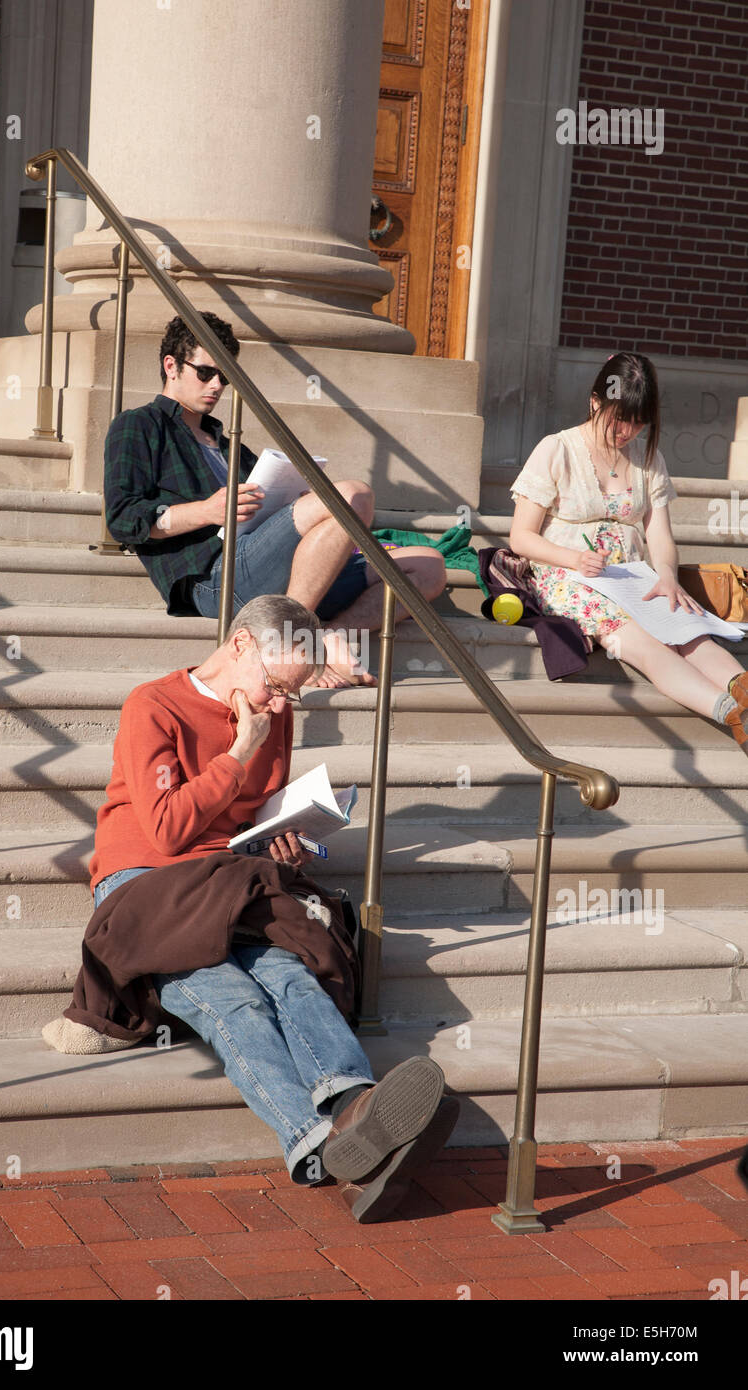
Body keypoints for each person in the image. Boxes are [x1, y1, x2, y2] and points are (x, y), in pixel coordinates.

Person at [44, 595, 459, 1223]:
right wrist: (239, 751)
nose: (279, 705)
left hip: (235, 877)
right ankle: (317, 1145)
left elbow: (250, 814)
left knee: (289, 974)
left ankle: (354, 1105)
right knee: (230, 997)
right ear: (239, 646)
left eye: (292, 694)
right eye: (274, 685)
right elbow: (167, 829)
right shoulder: (153, 705)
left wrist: (282, 838)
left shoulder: (273, 714)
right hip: (150, 885)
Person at [103, 313, 447, 688]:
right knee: (353, 495)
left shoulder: (229, 444)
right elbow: (122, 519)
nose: (217, 386)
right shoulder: (139, 425)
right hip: (216, 576)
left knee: (428, 566)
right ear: (171, 365)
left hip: (277, 570)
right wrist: (206, 511)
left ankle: (328, 637)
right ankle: (287, 645)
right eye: (206, 373)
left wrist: (299, 502)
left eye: (226, 376)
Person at [508, 351, 748, 749]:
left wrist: (668, 577)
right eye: (619, 418)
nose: (627, 431)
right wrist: (574, 559)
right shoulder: (557, 449)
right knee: (644, 643)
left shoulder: (648, 458)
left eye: (638, 423)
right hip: (569, 575)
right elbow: (521, 537)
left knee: (687, 628)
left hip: (630, 575)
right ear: (595, 402)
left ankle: (743, 690)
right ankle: (734, 716)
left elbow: (660, 536)